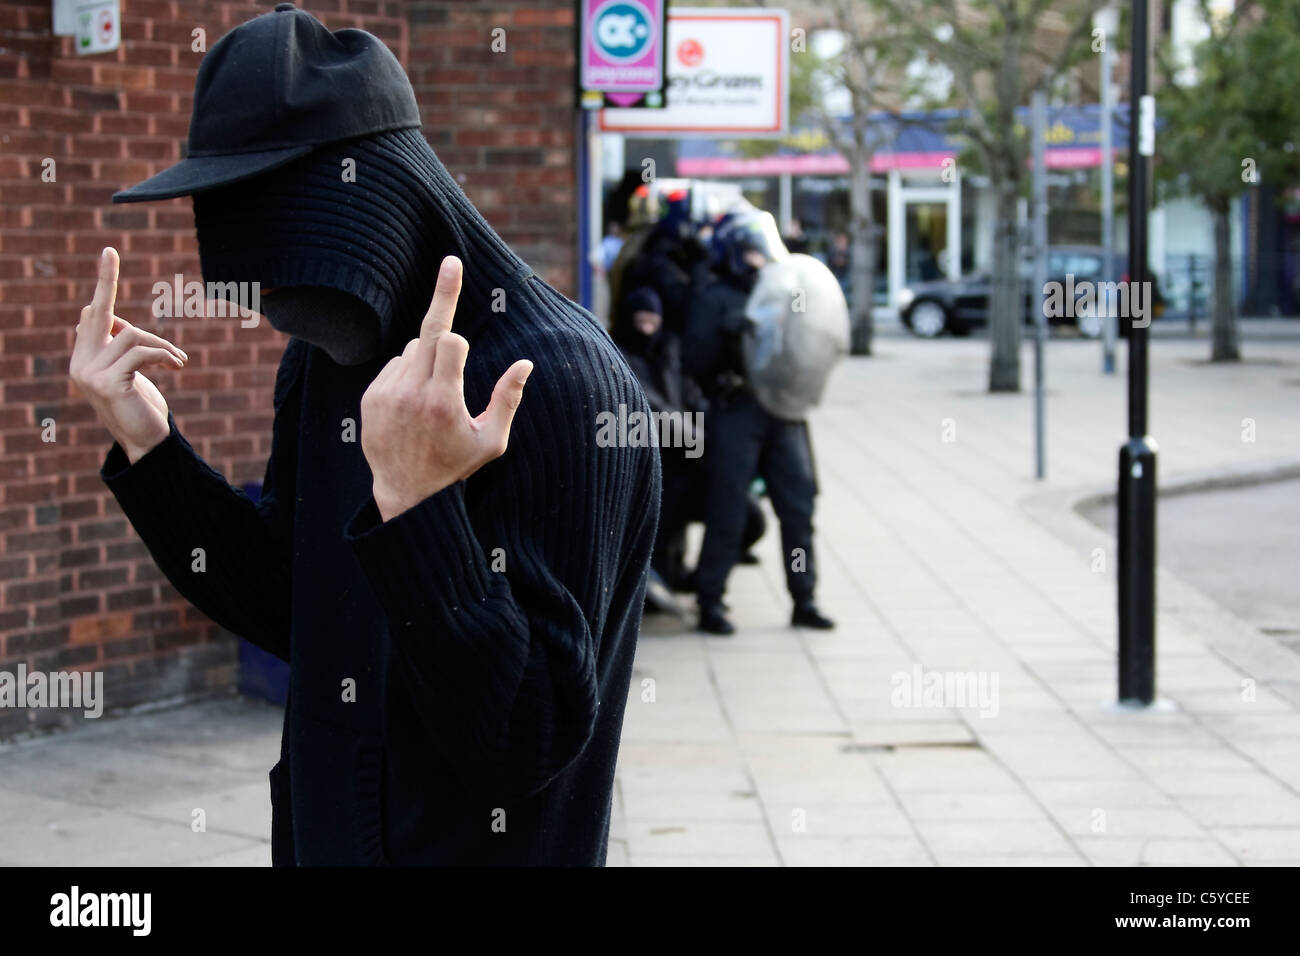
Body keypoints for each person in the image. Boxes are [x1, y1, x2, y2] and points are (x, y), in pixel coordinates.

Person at [68, 5, 658, 866]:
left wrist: (419, 506)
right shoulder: (329, 362)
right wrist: (153, 452)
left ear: (366, 189)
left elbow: (525, 744)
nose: (254, 277)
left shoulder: (559, 385)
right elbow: (290, 605)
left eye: (262, 201)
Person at [685, 209, 834, 636]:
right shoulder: (712, 297)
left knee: (799, 506)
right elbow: (695, 363)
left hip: (785, 410)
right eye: (751, 251)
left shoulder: (780, 291)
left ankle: (804, 599)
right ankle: (710, 600)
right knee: (727, 508)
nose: (760, 259)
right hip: (736, 409)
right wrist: (727, 335)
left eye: (762, 250)